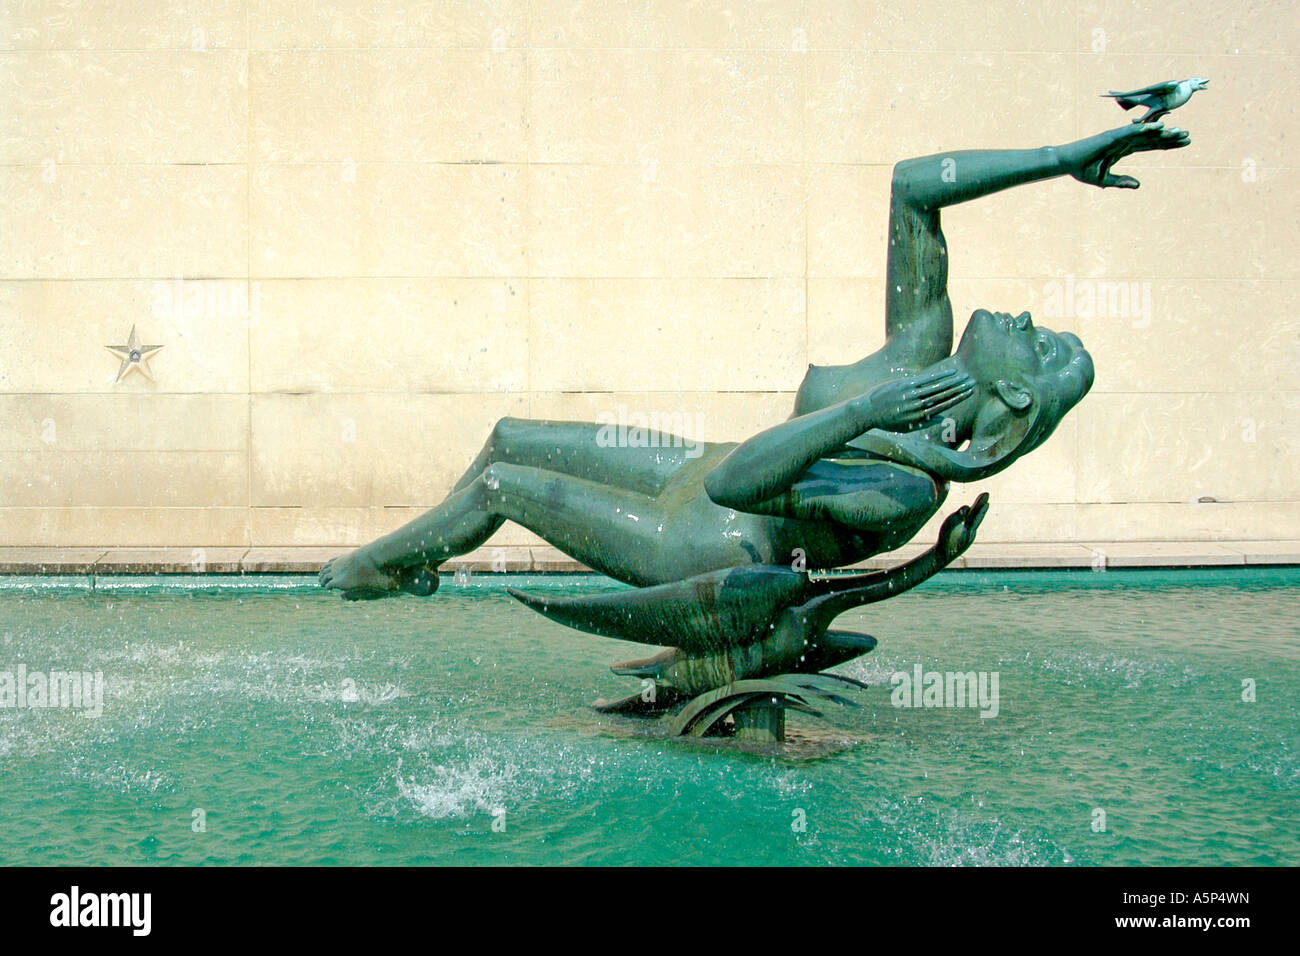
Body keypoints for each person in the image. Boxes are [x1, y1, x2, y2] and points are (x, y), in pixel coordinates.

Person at [321, 121, 1189, 599]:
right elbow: (914, 186)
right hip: (688, 469)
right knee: (510, 433)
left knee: (501, 488)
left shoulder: (910, 488)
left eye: (1038, 341)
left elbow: (743, 487)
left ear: (1010, 393)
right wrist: (1064, 156)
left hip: (697, 535)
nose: (1028, 315)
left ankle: (378, 568)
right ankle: (417, 558)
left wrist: (858, 418)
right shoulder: (922, 348)